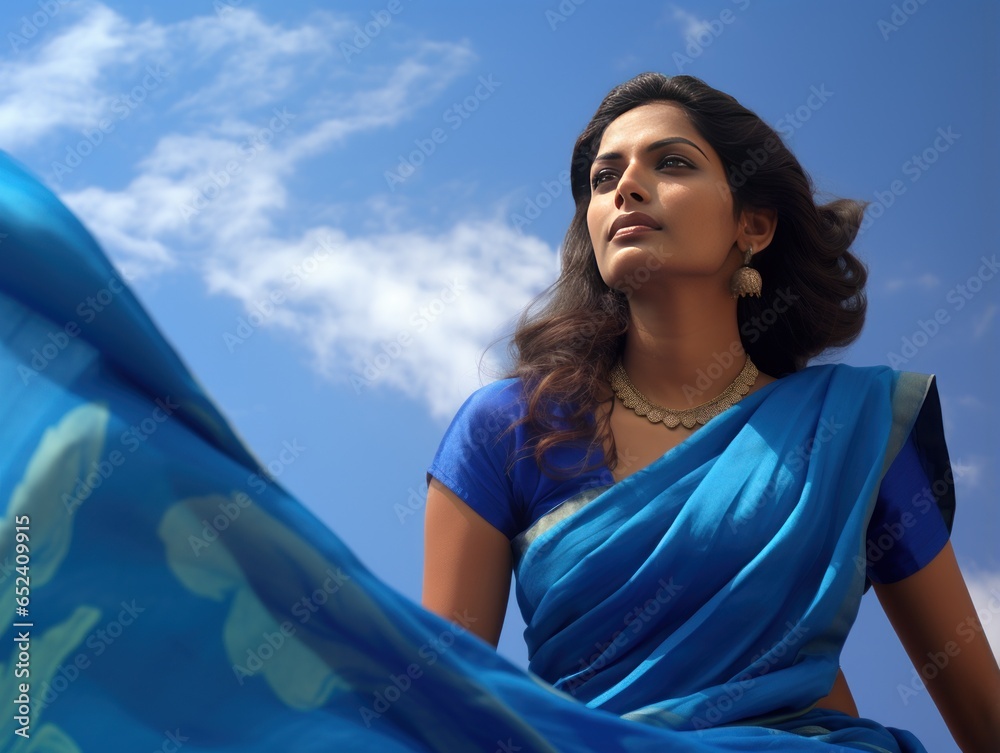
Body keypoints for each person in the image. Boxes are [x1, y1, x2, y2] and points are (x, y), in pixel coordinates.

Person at [421, 73, 1000, 751]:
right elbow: (441, 706)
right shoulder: (514, 427)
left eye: (671, 163)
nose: (625, 188)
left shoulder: (855, 424)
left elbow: (983, 712)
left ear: (752, 224)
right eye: (605, 178)